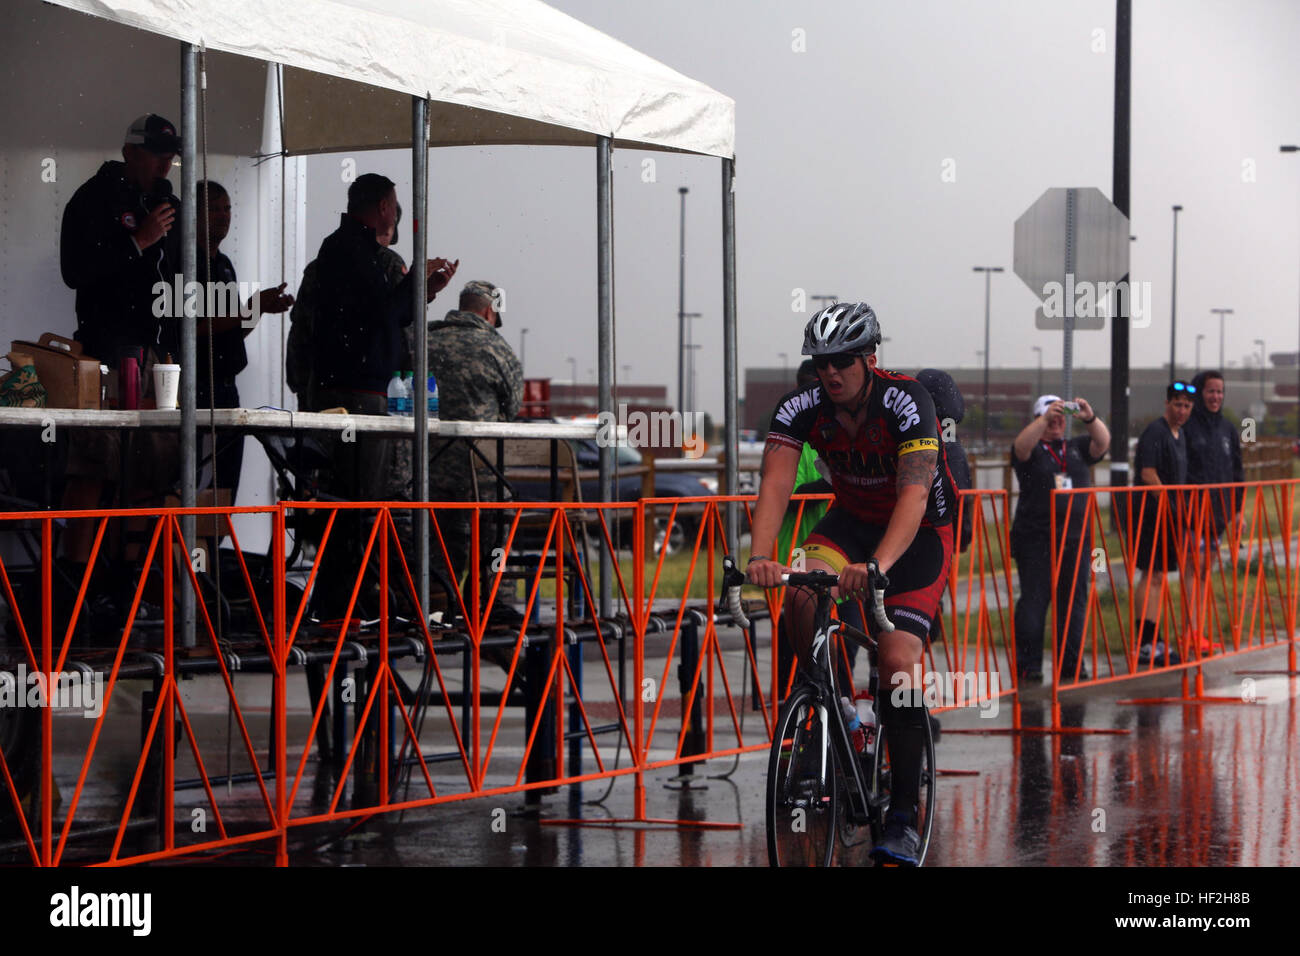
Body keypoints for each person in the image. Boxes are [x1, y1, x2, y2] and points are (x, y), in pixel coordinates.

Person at [746, 302, 957, 866]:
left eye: (841, 360)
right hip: (851, 520)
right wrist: (760, 557)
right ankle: (838, 709)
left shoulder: (907, 402)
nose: (830, 372)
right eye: (820, 362)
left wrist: (879, 566)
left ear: (869, 358)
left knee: (897, 661)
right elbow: (775, 483)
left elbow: (913, 496)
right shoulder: (801, 407)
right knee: (799, 595)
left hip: (916, 535)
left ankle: (905, 815)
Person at [307, 173, 458, 619]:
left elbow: (388, 315)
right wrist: (414, 282)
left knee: (359, 501)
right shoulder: (350, 251)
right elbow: (375, 317)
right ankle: (345, 602)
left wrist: (422, 290)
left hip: (362, 390)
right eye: (394, 205)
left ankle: (347, 599)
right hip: (355, 395)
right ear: (384, 207)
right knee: (358, 502)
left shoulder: (356, 251)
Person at [57, 114, 185, 626]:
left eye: (170, 156)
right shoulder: (94, 199)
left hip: (155, 355)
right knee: (94, 467)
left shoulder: (167, 205)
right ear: (130, 152)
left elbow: (176, 277)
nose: (164, 164)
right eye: (156, 154)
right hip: (106, 352)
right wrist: (138, 241)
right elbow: (74, 271)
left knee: (151, 471)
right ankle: (72, 587)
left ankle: (134, 585)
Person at [194, 180, 295, 504]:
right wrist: (250, 307)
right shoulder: (185, 262)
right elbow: (191, 326)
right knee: (197, 483)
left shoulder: (224, 265)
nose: (224, 217)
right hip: (197, 390)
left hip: (227, 388)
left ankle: (216, 552)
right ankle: (188, 551)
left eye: (228, 209)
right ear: (194, 215)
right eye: (214, 209)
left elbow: (232, 329)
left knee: (225, 486)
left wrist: (260, 310)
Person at [427, 280, 523, 593]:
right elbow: (512, 408)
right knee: (492, 548)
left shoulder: (425, 341)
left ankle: (437, 614)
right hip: (483, 476)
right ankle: (485, 611)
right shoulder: (497, 348)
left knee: (439, 554)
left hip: (431, 473)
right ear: (488, 312)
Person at [1009, 395, 1110, 683]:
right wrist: (1042, 420)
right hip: (1036, 539)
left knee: (1074, 603)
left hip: (1076, 540)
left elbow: (1102, 443)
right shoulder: (1032, 448)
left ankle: (1071, 664)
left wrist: (1089, 418)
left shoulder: (1075, 447)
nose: (1057, 421)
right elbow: (1020, 448)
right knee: (1034, 602)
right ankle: (1029, 666)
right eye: (1051, 416)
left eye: (1060, 416)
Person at [1131, 381, 1196, 667]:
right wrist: (1168, 504)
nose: (1182, 411)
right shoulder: (1156, 432)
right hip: (1150, 514)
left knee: (1160, 576)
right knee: (1151, 574)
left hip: (1170, 516)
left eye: (1186, 406)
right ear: (1167, 404)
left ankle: (1155, 638)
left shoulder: (1180, 435)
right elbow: (1148, 473)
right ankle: (1143, 641)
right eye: (1177, 405)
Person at [1184, 369, 1244, 545]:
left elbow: (1237, 473)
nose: (1216, 397)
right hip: (1191, 515)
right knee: (1193, 566)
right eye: (1211, 391)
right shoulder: (1186, 427)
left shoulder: (1228, 429)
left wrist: (1237, 511)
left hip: (1219, 515)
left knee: (1207, 568)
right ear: (1199, 393)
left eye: (1219, 392)